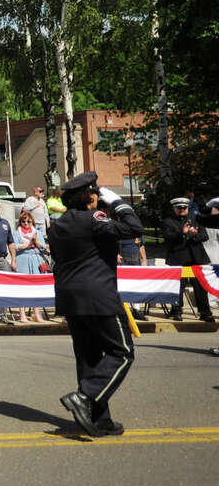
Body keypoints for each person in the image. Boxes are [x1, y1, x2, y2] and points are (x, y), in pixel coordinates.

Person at [49, 171, 142, 437]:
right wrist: (119, 203)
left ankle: (98, 419)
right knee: (122, 352)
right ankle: (85, 397)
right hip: (98, 296)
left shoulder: (58, 224)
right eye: (96, 193)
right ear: (90, 196)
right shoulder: (94, 219)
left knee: (88, 358)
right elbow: (134, 229)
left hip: (70, 298)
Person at [163, 196, 214, 322]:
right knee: (177, 286)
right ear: (174, 208)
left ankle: (205, 312)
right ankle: (176, 310)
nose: (182, 210)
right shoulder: (168, 221)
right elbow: (168, 237)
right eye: (179, 208)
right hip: (178, 258)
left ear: (187, 208)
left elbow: (204, 236)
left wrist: (194, 235)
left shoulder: (195, 219)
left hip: (196, 258)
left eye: (184, 207)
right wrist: (182, 232)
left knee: (201, 286)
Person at [13, 211, 47, 323]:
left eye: (28, 221)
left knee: (36, 288)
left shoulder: (37, 232)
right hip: (22, 260)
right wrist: (27, 245)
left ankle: (36, 313)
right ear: (20, 222)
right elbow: (15, 247)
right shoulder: (16, 233)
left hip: (36, 261)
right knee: (22, 288)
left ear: (32, 221)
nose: (26, 223)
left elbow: (44, 247)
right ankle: (22, 314)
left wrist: (36, 241)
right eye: (23, 221)